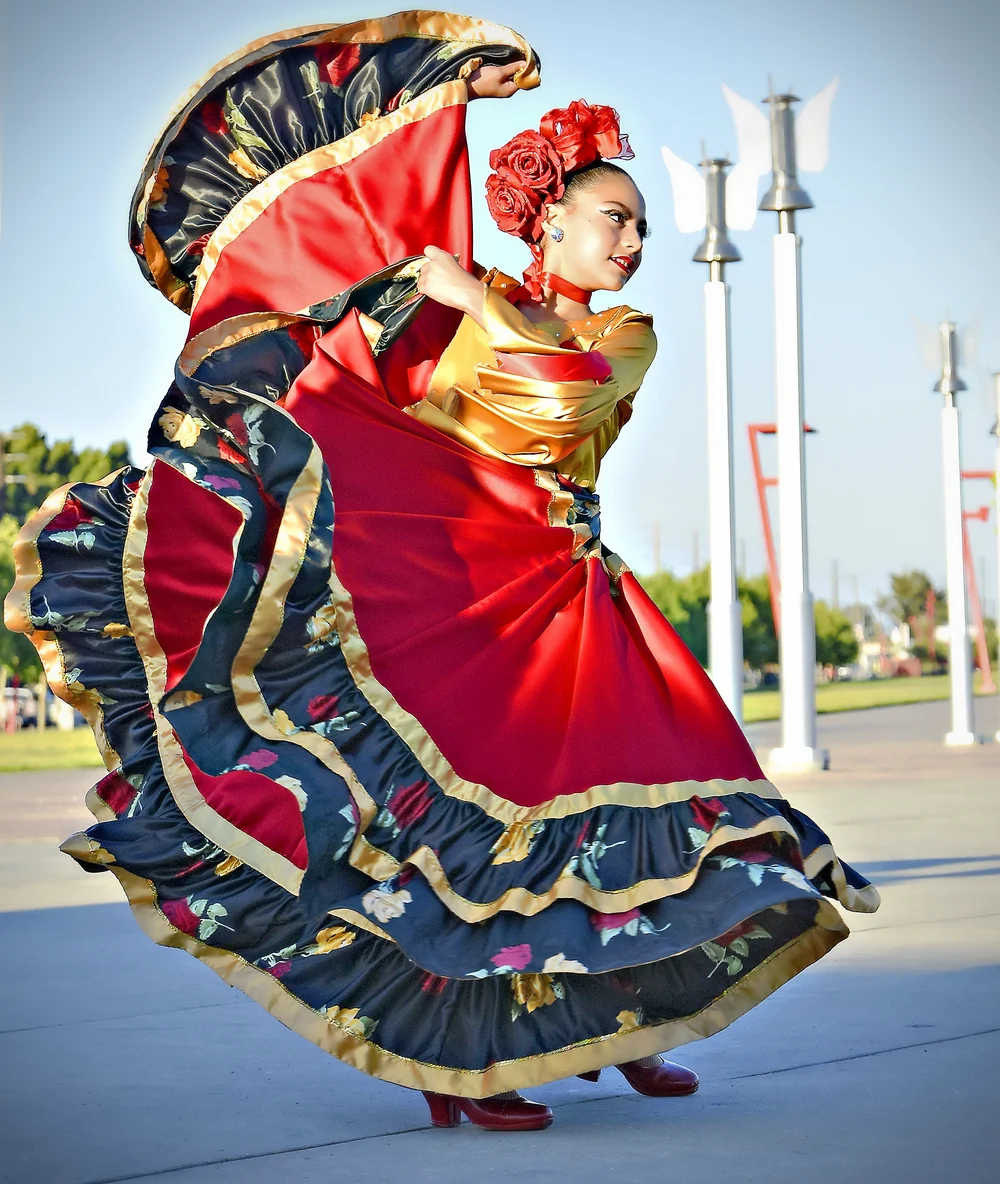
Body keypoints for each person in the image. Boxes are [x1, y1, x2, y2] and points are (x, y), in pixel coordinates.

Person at [4, 12, 878, 1134]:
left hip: (569, 595)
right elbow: (371, 390)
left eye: (641, 226)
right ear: (550, 219)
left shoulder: (623, 330)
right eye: (613, 219)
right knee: (447, 840)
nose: (631, 242)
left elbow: (562, 400)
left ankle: (625, 1027)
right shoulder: (453, 303)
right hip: (458, 590)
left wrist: (480, 304)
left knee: (640, 809)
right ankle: (466, 1058)